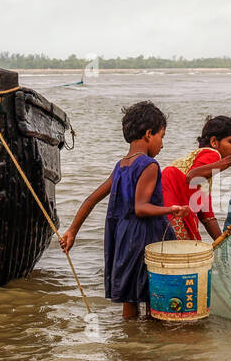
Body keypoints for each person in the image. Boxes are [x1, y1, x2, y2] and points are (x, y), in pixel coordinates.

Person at [60, 102, 191, 319]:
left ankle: (129, 345)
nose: (162, 144)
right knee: (154, 299)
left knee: (130, 299)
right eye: (162, 136)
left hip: (123, 239)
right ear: (149, 134)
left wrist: (72, 230)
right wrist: (172, 208)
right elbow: (141, 208)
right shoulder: (149, 165)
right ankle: (150, 345)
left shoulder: (121, 165)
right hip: (145, 239)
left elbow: (91, 199)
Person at [161, 115, 231, 241]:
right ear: (214, 142)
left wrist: (222, 242)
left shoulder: (202, 166)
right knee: (185, 253)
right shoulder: (212, 154)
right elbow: (192, 176)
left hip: (163, 211)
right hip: (171, 211)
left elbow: (207, 216)